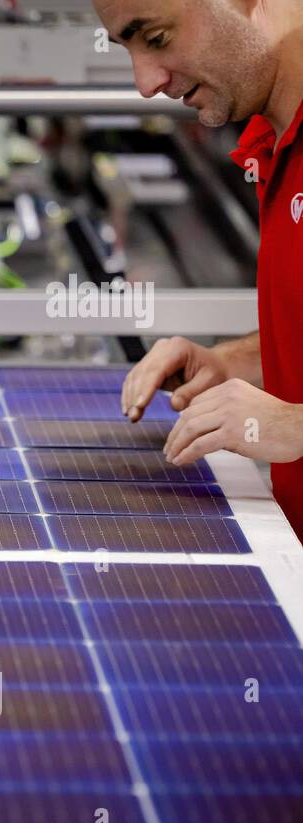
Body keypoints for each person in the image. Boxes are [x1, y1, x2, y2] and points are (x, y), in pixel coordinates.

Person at [95, 0, 303, 537]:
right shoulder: (272, 140)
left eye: (157, 38)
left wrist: (295, 425)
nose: (145, 82)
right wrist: (234, 362)